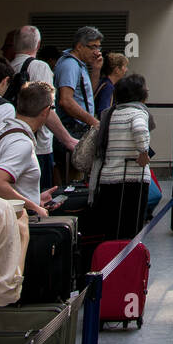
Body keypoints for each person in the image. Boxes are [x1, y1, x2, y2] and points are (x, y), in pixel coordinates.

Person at [6, 27, 79, 189]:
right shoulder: (39, 67)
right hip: (38, 146)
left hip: (12, 141)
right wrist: (68, 139)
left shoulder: (9, 67)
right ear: (38, 45)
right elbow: (47, 108)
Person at [89, 73, 152, 237]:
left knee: (111, 228)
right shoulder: (137, 112)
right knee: (131, 228)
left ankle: (111, 260)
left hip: (108, 177)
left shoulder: (110, 113)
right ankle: (129, 261)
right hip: (132, 178)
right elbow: (140, 129)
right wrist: (143, 152)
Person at [0, 82, 57, 217]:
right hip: (16, 223)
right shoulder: (21, 143)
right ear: (46, 111)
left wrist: (36, 198)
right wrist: (34, 207)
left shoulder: (5, 132)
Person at [54, 26, 102, 182]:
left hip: (78, 128)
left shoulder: (79, 65)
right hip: (72, 129)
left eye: (98, 47)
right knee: (73, 179)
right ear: (80, 46)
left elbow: (87, 96)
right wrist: (94, 122)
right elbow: (66, 101)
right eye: (93, 47)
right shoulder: (70, 65)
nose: (97, 51)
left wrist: (95, 70)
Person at [94, 52, 129, 118]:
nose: (126, 70)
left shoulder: (104, 82)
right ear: (117, 70)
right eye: (125, 67)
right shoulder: (108, 87)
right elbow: (104, 112)